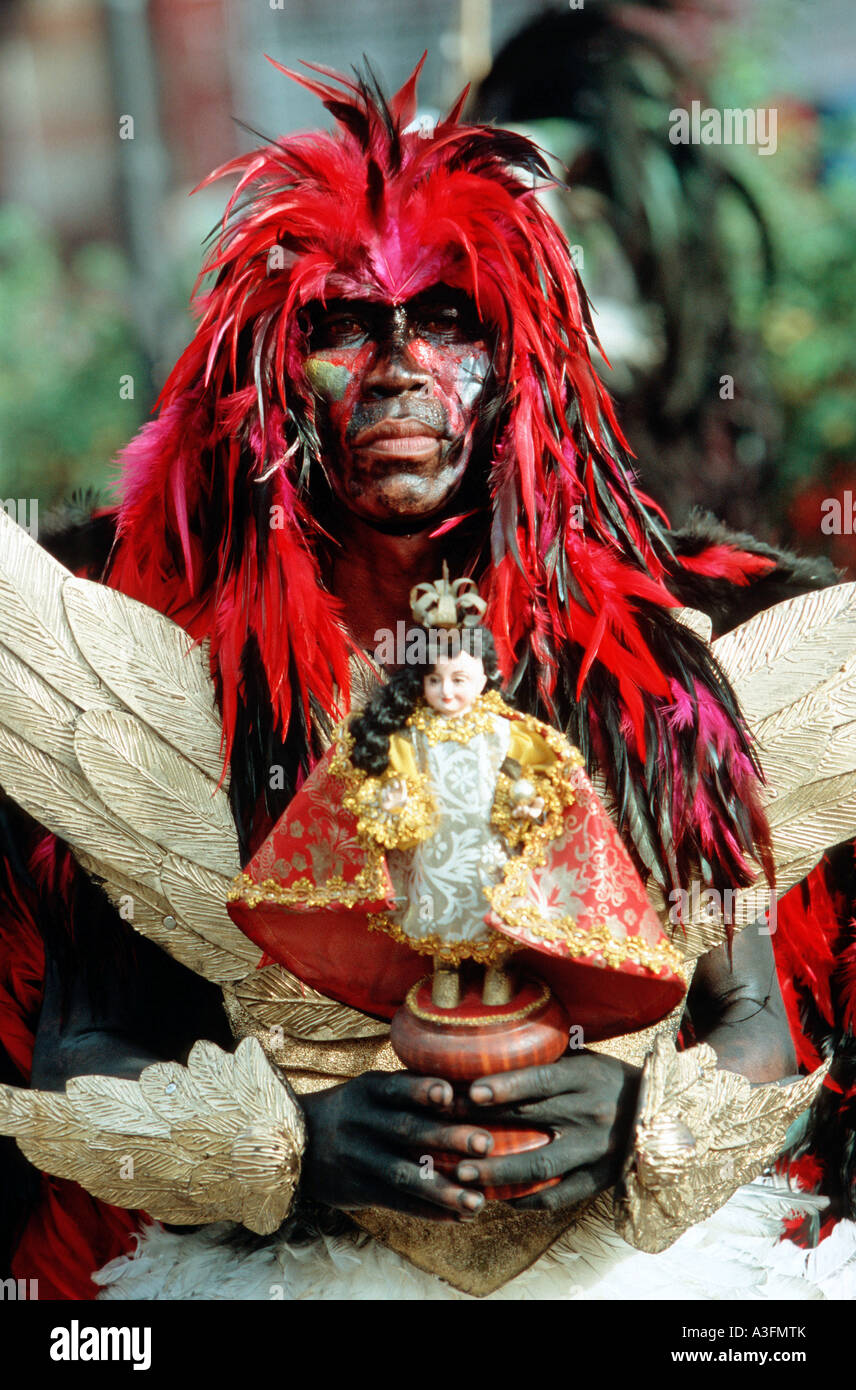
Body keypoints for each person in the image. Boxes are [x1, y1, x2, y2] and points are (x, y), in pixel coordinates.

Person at [0, 57, 851, 1300]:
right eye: (345, 324)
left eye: (449, 320)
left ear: (523, 374)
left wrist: (636, 1120)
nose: (399, 366)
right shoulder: (180, 675)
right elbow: (75, 1051)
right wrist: (290, 1153)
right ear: (278, 376)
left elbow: (753, 1011)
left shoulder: (655, 675)